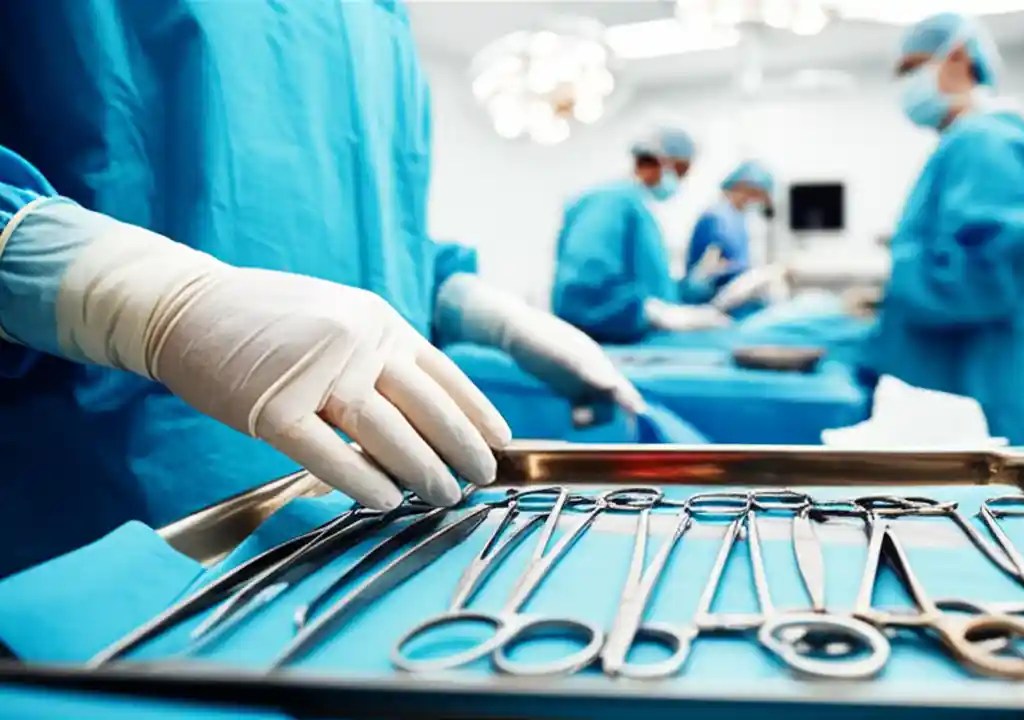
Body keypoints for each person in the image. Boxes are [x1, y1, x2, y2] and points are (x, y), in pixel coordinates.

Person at [0, 0, 639, 576]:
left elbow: (371, 219)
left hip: (362, 520)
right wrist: (124, 295)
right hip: (111, 508)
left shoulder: (380, 14)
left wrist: (469, 303)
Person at [864, 12, 1024, 446]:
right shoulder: (966, 144)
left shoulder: (984, 144)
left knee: (991, 509)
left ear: (958, 57)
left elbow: (981, 283)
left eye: (911, 68)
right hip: (969, 384)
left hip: (982, 393)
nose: (904, 84)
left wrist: (900, 278)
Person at [551, 129, 730, 343]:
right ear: (654, 162)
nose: (681, 180)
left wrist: (695, 285)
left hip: (641, 342)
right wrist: (650, 313)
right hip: (611, 347)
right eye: (681, 170)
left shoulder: (638, 208)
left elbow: (656, 291)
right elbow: (582, 293)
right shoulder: (609, 202)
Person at [679, 160, 776, 309]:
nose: (758, 201)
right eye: (758, 194)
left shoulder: (738, 218)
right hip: (711, 302)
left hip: (733, 300)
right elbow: (706, 270)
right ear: (743, 187)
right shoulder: (717, 217)